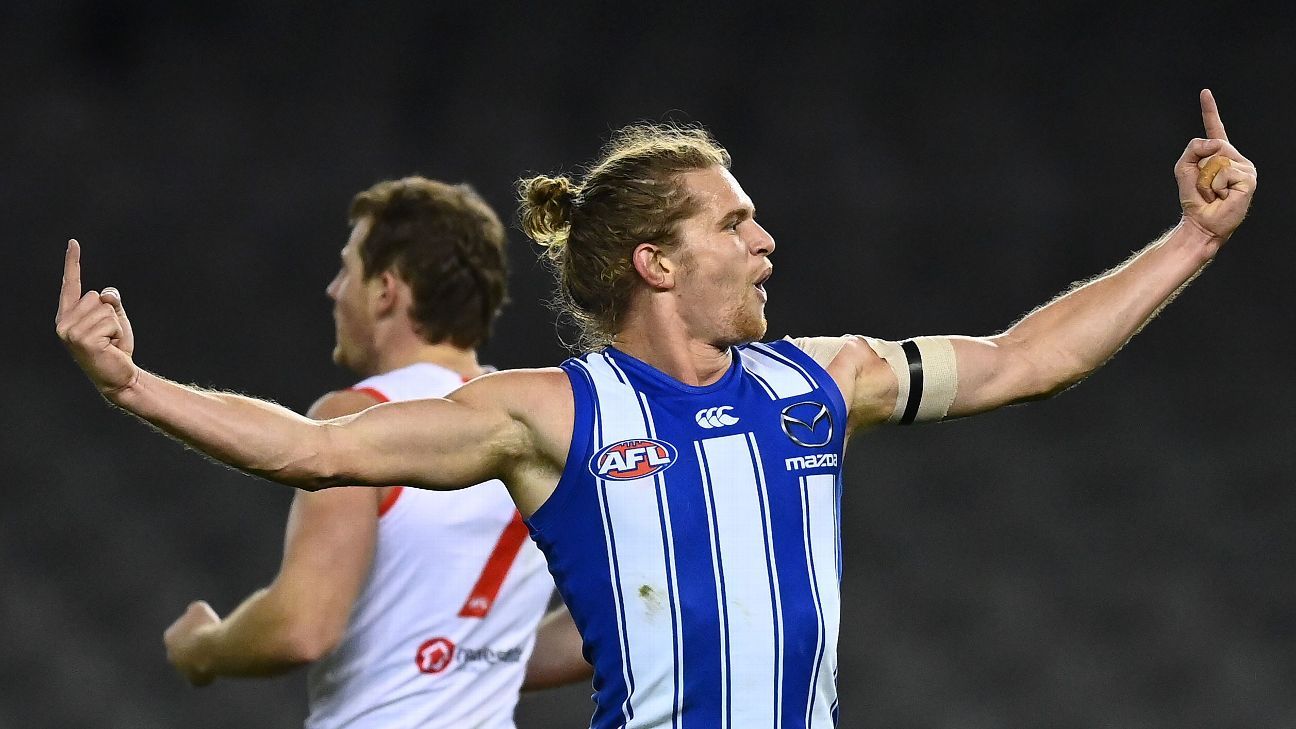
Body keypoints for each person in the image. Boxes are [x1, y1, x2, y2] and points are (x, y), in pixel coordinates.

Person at [57, 90, 1256, 728]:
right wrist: (134, 385)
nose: (766, 239)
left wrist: (1192, 242)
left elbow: (1024, 360)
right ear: (656, 263)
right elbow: (316, 451)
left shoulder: (819, 383)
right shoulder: (549, 416)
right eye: (736, 221)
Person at [155, 176, 583, 728]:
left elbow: (303, 627)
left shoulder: (360, 417)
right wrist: (482, 665)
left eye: (346, 269)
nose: (334, 290)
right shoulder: (539, 426)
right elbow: (622, 620)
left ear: (386, 290)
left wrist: (204, 648)